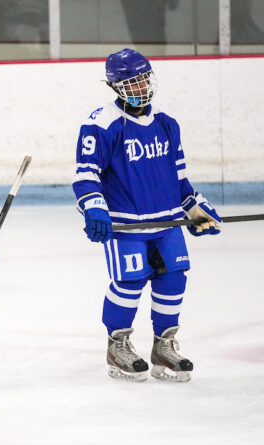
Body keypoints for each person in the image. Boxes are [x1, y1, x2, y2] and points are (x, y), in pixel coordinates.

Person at [73, 48, 222, 383]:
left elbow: (179, 180)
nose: (140, 86)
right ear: (115, 85)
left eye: (143, 78)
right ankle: (118, 345)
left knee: (174, 276)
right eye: (131, 80)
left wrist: (196, 207)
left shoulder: (167, 124)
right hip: (127, 224)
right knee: (130, 281)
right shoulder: (101, 123)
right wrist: (95, 208)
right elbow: (85, 175)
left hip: (168, 222)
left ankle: (163, 345)